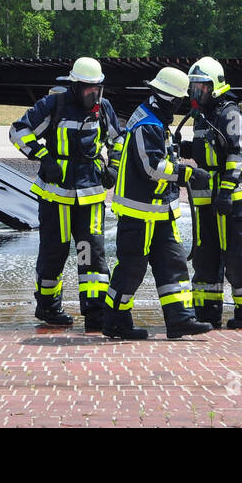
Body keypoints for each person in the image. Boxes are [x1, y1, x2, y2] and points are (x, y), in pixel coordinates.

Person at [9, 56, 122, 330]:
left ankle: (95, 313)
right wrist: (43, 157)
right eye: (87, 89)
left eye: (97, 88)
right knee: (54, 252)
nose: (93, 94)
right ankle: (48, 307)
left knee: (92, 253)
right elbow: (17, 131)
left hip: (91, 194)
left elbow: (118, 140)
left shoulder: (103, 108)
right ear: (75, 86)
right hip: (55, 195)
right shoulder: (53, 105)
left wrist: (115, 169)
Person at [101, 67, 214, 341]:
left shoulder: (155, 119)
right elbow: (151, 166)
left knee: (173, 263)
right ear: (171, 99)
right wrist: (188, 173)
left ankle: (180, 320)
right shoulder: (147, 123)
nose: (179, 106)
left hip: (161, 211)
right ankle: (114, 320)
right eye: (178, 101)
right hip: (139, 213)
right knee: (132, 269)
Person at [184, 56, 242, 329]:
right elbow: (205, 151)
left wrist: (227, 192)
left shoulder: (230, 114)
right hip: (206, 200)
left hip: (232, 200)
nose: (196, 93)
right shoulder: (202, 117)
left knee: (235, 257)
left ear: (214, 86)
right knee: (205, 258)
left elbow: (238, 154)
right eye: (193, 88)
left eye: (200, 87)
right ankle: (207, 311)